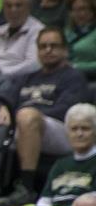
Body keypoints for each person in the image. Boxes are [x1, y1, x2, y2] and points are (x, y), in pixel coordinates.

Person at [10, 26, 90, 192]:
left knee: (27, 116)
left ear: (65, 50)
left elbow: (65, 110)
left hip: (61, 130)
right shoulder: (26, 78)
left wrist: (29, 116)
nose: (48, 50)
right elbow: (9, 103)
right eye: (43, 46)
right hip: (24, 124)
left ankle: (26, 187)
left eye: (54, 46)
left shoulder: (72, 76)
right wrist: (5, 110)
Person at [0, 0, 47, 79]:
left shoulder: (38, 31)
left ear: (28, 6)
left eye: (18, 5)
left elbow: (34, 64)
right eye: (9, 6)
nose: (13, 10)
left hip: (21, 81)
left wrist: (1, 75)